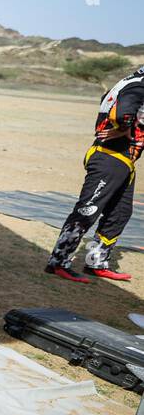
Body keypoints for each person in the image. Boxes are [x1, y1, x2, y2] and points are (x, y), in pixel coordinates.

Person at [46, 65, 144, 282]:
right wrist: (123, 128)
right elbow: (121, 113)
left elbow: (107, 100)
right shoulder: (138, 86)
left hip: (123, 160)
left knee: (120, 213)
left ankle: (96, 261)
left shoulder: (129, 82)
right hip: (109, 158)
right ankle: (59, 262)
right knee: (87, 210)